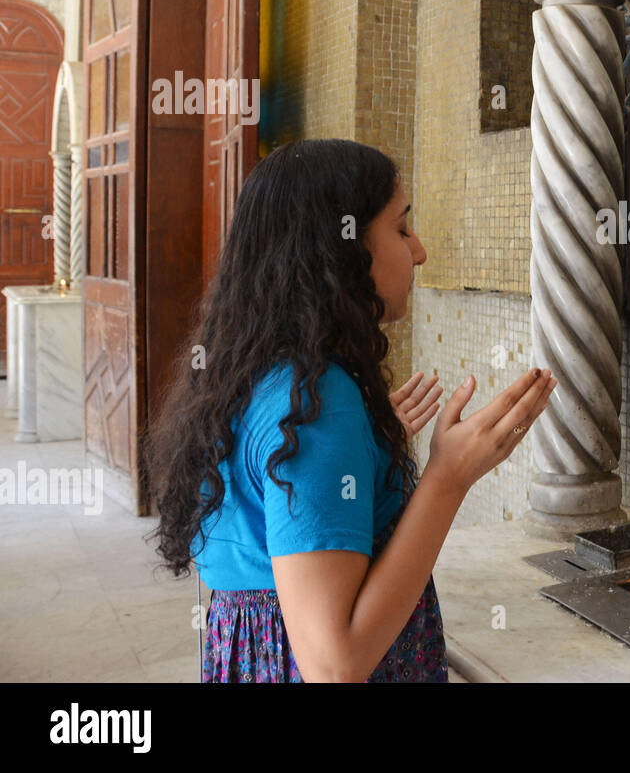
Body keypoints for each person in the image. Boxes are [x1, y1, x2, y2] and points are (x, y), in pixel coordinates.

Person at [145, 139, 557, 682]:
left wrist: (360, 454)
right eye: (402, 228)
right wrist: (449, 478)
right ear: (340, 247)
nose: (419, 251)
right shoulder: (313, 408)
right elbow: (333, 664)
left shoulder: (259, 371)